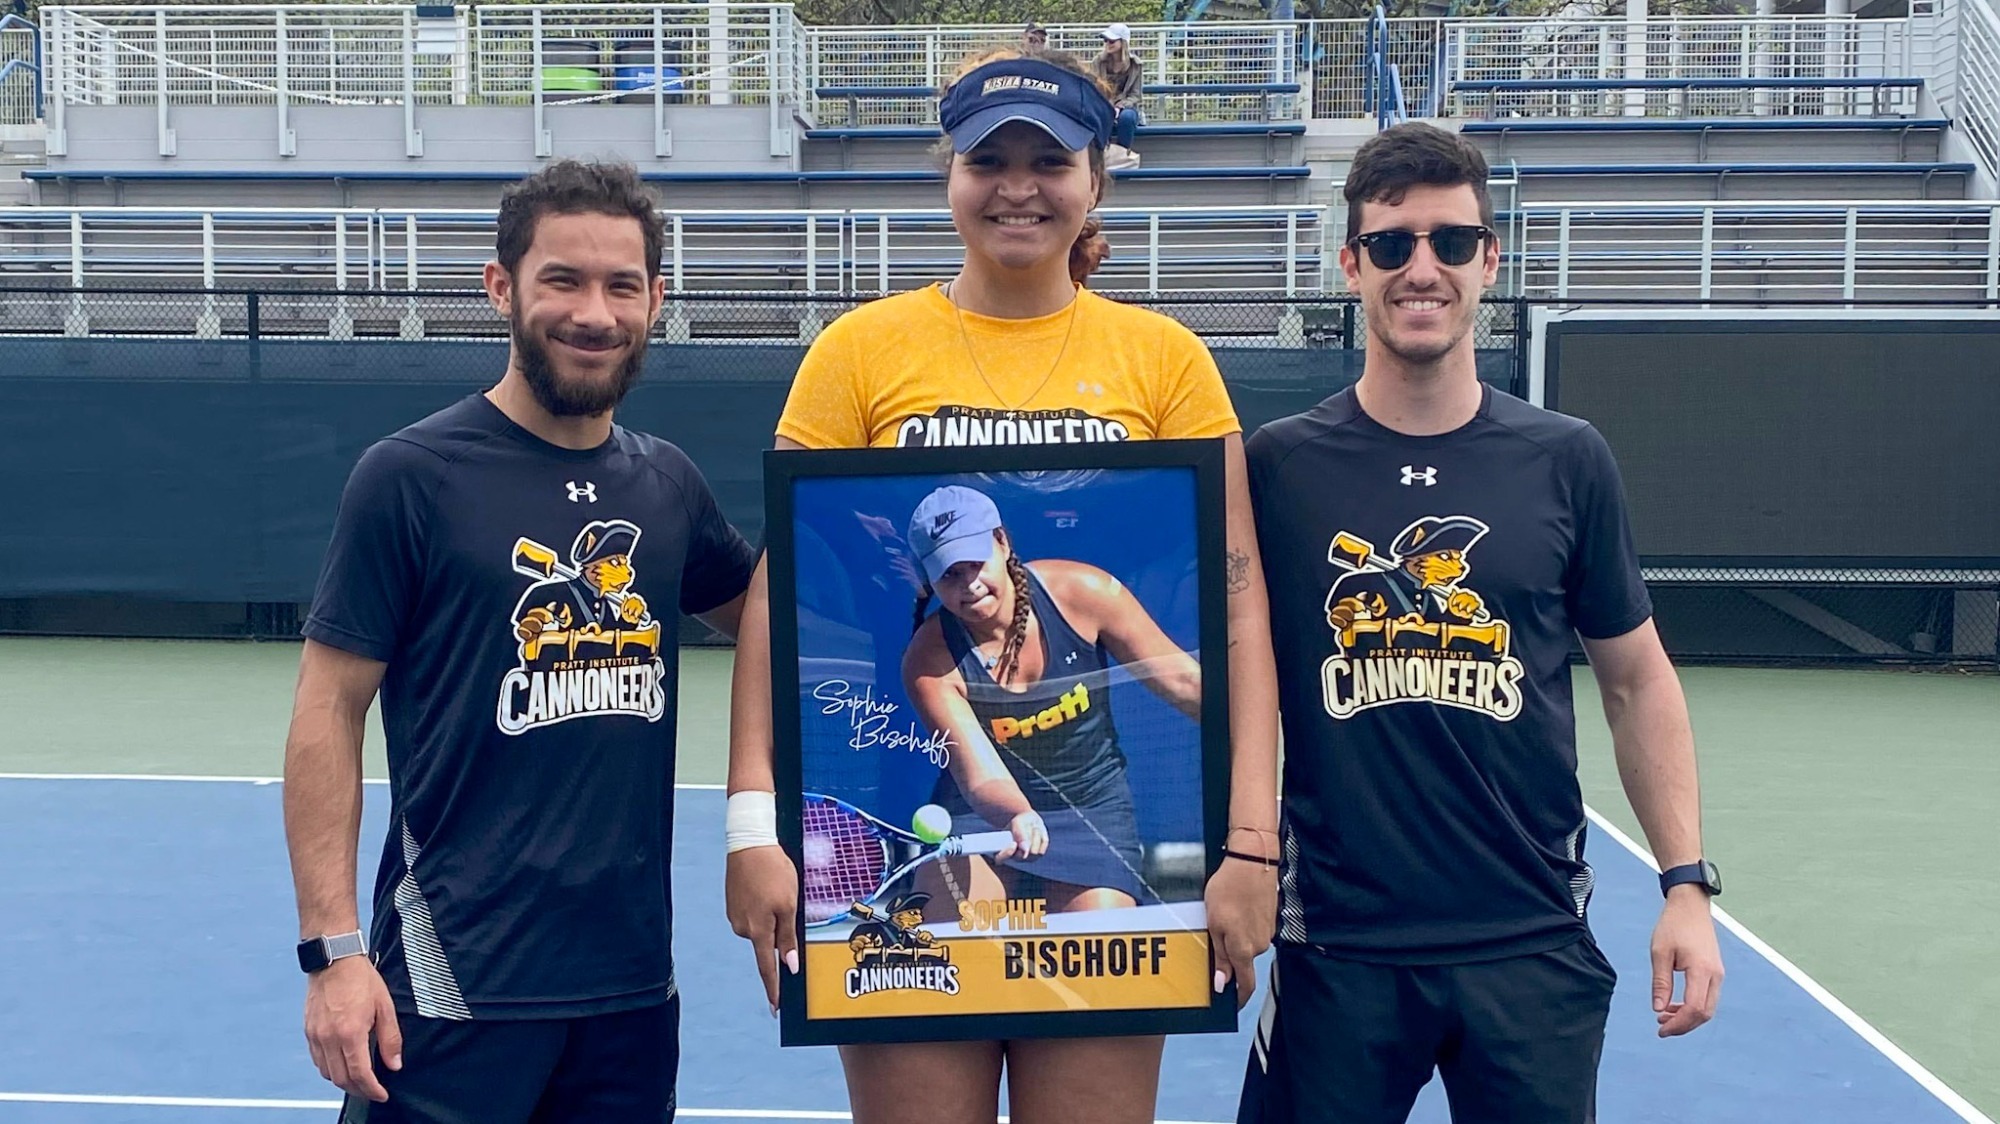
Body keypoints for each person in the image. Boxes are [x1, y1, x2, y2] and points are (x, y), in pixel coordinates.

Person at [723, 47, 1282, 1124]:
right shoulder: (856, 353)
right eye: (989, 159)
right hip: (927, 808)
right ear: (949, 175)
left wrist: (1251, 840)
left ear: (1094, 181)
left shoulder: (1163, 360)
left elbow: (1235, 609)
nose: (1017, 185)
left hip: (1102, 819)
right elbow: (775, 600)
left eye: (1047, 158)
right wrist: (754, 828)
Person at [1237, 122, 1724, 1123]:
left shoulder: (1564, 457)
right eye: (1391, 243)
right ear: (1350, 263)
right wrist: (1230, 869)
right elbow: (1233, 682)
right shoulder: (1276, 465)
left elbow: (1635, 679)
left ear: (1487, 258)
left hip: (1528, 940)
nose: (1422, 268)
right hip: (1336, 947)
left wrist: (1684, 882)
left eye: (1450, 241)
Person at [283, 159, 758, 1123]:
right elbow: (328, 710)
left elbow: (786, 627)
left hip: (630, 991)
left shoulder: (666, 487)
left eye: (623, 285)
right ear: (503, 287)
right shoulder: (410, 477)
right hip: (449, 986)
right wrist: (333, 954)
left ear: (656, 300)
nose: (595, 312)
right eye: (564, 281)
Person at [900, 484, 1203, 917]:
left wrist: (1271, 743)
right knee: (955, 946)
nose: (970, 585)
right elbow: (979, 776)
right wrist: (1017, 815)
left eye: (975, 562)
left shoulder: (1086, 593)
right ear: (930, 580)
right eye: (950, 574)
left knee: (1097, 962)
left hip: (1091, 810)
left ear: (1002, 543)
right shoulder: (927, 661)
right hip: (982, 817)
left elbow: (1186, 684)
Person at [1094, 23, 1144, 166]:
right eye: (1105, 40)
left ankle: (1122, 156)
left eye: (1111, 41)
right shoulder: (1098, 62)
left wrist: (1120, 106)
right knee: (1102, 115)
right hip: (1104, 103)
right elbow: (1095, 89)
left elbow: (1136, 95)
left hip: (1126, 105)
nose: (1107, 44)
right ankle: (1100, 155)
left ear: (1123, 42)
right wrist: (1108, 105)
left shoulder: (1135, 65)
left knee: (1127, 117)